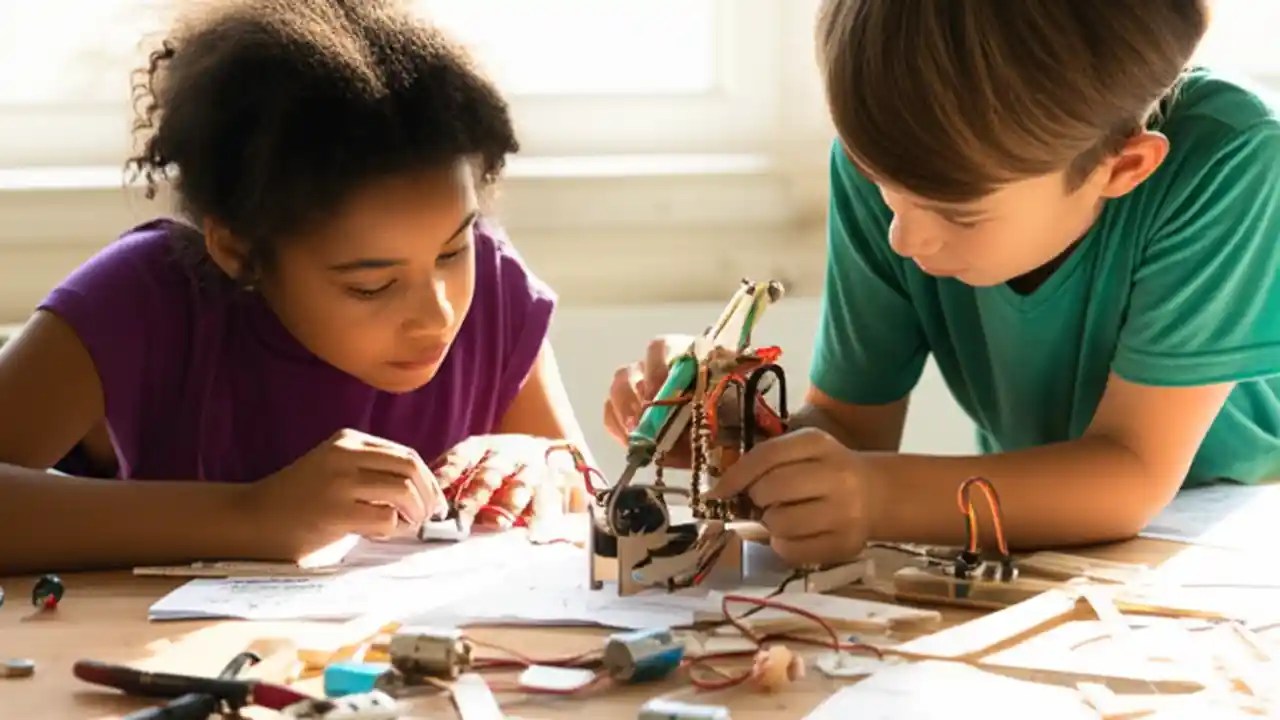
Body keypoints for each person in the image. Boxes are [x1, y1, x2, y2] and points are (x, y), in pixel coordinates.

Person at [605, 0, 1280, 566]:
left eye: (959, 215)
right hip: (1042, 539)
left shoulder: (1230, 159)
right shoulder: (900, 156)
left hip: (1233, 544)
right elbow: (851, 432)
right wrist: (728, 427)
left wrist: (874, 498)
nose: (903, 237)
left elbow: (1130, 472)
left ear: (1122, 167)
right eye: (882, 188)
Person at [0, 0, 590, 575]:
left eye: (454, 250)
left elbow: (592, 509)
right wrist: (253, 514)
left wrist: (546, 466)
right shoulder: (143, 299)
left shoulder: (493, 289)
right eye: (371, 285)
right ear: (236, 249)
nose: (436, 315)